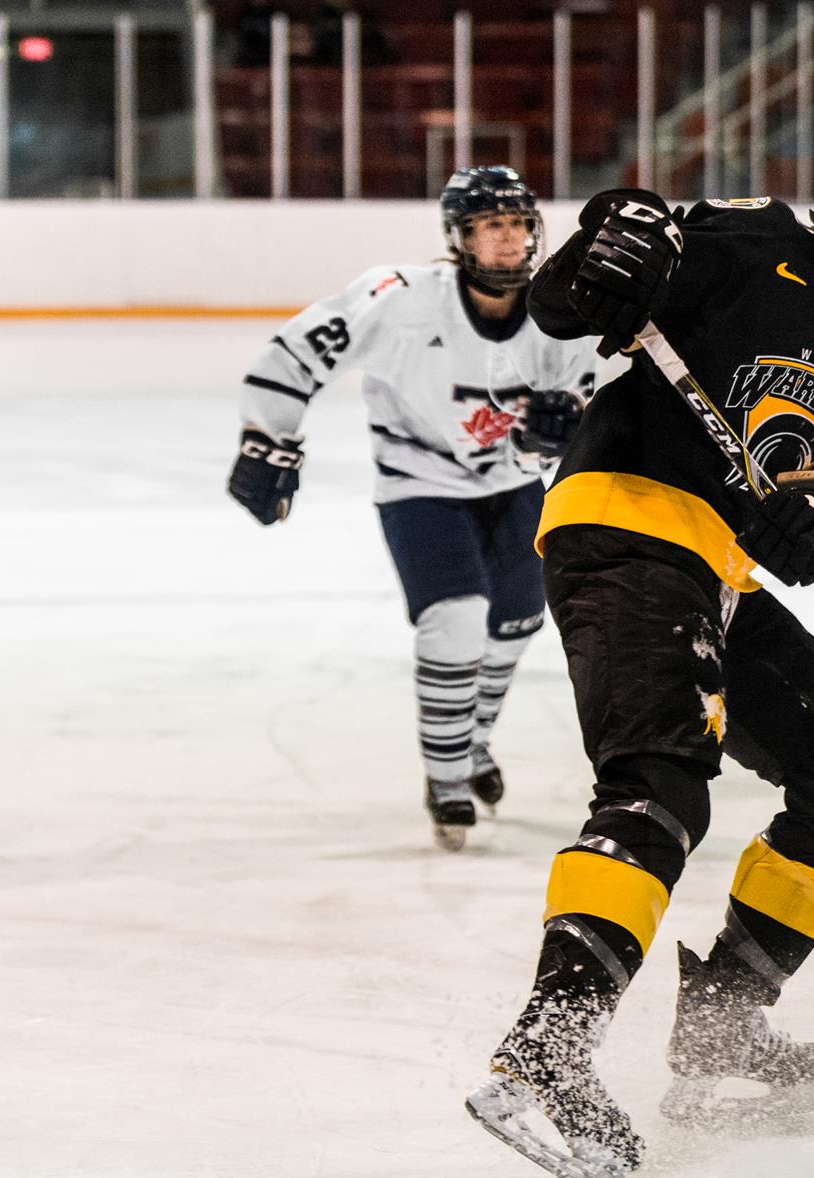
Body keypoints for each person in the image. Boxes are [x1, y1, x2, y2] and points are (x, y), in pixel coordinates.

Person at [463, 131, 814, 1178]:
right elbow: (572, 302)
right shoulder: (751, 242)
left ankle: (722, 1019)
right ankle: (545, 1045)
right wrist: (616, 231)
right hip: (628, 526)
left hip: (721, 577)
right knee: (658, 783)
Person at [229, 166, 595, 849]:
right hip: (419, 482)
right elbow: (294, 355)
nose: (510, 240)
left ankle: (474, 743)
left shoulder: (560, 311)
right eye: (492, 226)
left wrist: (569, 420)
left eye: (518, 224)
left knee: (515, 625)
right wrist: (265, 441)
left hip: (514, 485)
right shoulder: (398, 299)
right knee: (454, 622)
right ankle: (447, 776)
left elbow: (597, 394)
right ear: (460, 238)